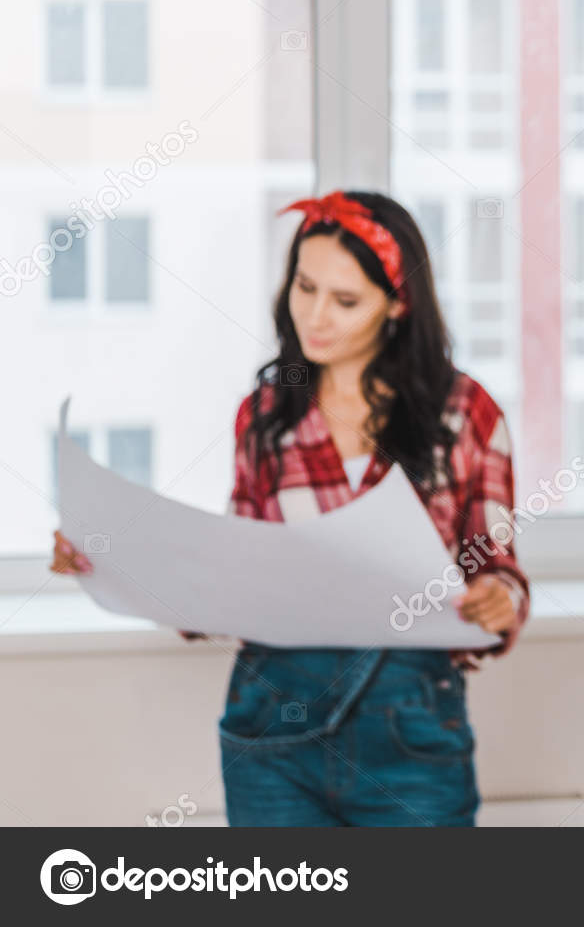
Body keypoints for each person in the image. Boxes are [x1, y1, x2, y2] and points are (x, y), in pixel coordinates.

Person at [53, 190, 529, 826]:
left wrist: (498, 598)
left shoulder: (467, 412)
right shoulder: (265, 415)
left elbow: (497, 566)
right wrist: (110, 561)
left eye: (346, 301)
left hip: (410, 730)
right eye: (305, 287)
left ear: (398, 304)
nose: (315, 316)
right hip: (270, 725)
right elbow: (231, 580)